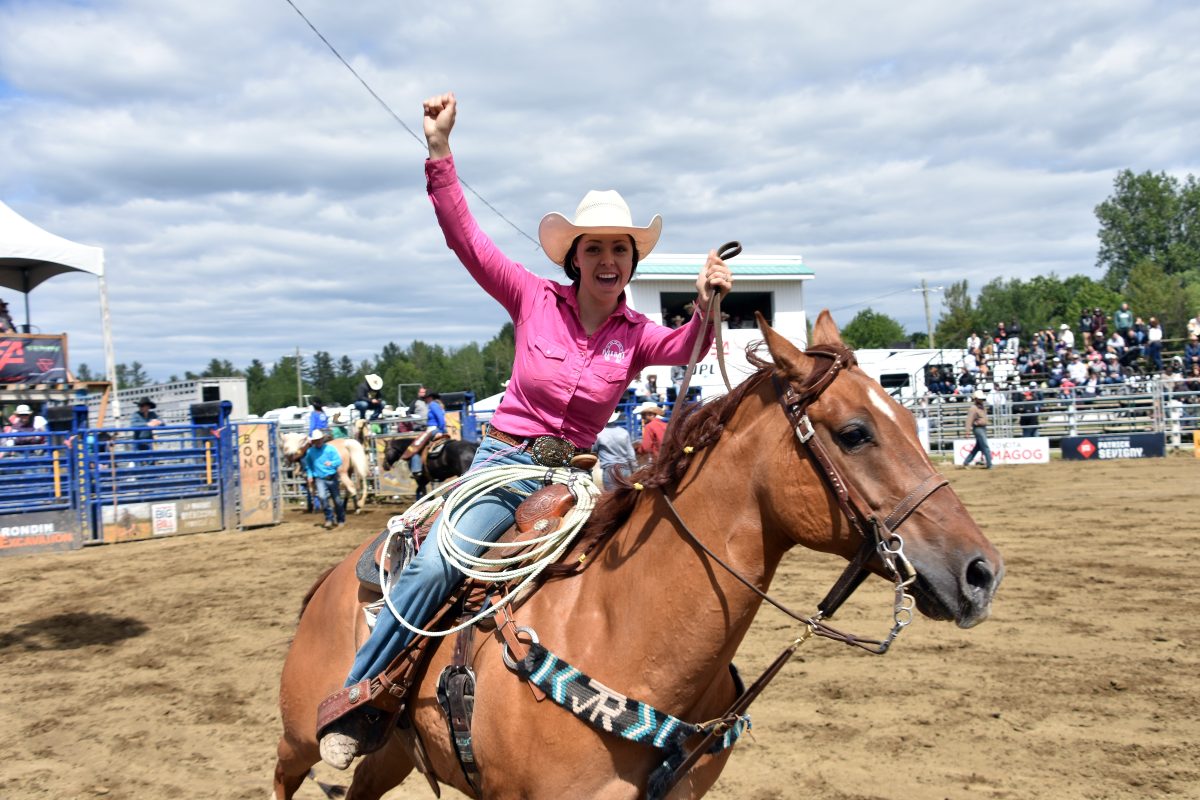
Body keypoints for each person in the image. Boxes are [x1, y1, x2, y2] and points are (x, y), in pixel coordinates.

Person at [317, 90, 734, 769]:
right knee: (438, 564)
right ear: (576, 259)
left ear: (631, 262)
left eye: (620, 248)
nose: (608, 258)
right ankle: (361, 693)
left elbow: (688, 346)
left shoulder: (636, 335)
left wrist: (709, 304)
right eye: (595, 247)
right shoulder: (531, 297)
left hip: (578, 480)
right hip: (505, 467)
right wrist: (439, 151)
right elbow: (466, 240)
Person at [303, 430, 345, 530]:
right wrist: (310, 475)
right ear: (313, 441)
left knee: (337, 500)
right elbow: (308, 465)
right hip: (320, 478)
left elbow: (338, 461)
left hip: (332, 477)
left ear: (322, 439)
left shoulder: (330, 449)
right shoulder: (310, 452)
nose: (318, 442)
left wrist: (332, 463)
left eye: (319, 439)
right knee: (322, 497)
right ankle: (329, 518)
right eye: (316, 440)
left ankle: (340, 519)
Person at [595, 411, 637, 490]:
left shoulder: (599, 435)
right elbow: (631, 455)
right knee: (626, 494)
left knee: (611, 495)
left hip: (609, 470)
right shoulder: (624, 432)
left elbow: (593, 451)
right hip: (625, 468)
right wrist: (634, 470)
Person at [962, 390, 993, 469]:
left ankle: (966, 462)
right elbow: (969, 420)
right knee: (985, 446)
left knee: (978, 447)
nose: (982, 400)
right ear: (976, 399)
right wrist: (967, 431)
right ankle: (989, 464)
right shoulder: (973, 408)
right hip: (978, 428)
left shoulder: (982, 407)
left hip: (982, 428)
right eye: (980, 399)